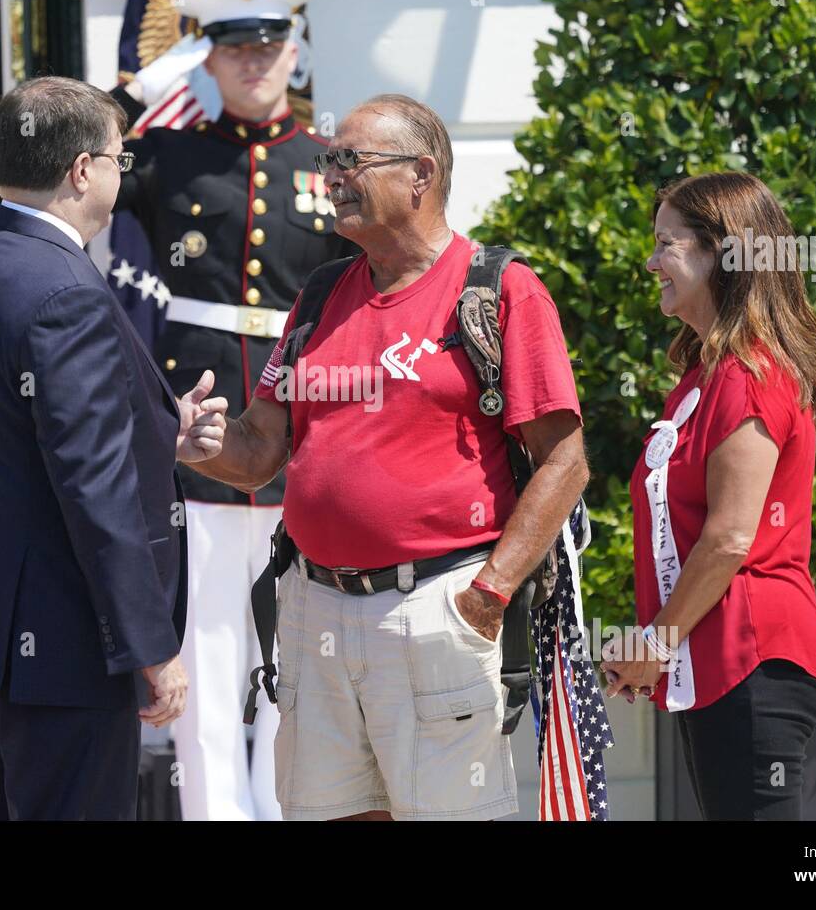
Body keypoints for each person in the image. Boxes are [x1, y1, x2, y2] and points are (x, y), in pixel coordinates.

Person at [184, 94, 589, 821]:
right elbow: (257, 450)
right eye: (327, 162)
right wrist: (209, 446)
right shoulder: (317, 296)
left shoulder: (498, 291)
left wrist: (488, 597)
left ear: (420, 175)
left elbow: (565, 465)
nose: (329, 178)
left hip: (437, 608)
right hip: (313, 612)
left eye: (348, 161)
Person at [0, 76, 228, 820]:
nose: (125, 174)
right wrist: (149, 647)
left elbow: (22, 434)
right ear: (82, 170)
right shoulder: (65, 292)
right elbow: (92, 489)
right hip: (64, 646)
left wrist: (159, 432)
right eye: (120, 158)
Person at [109, 0, 355, 821]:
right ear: (208, 57)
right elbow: (75, 155)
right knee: (208, 653)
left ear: (294, 50)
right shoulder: (166, 151)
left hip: (305, 430)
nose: (255, 63)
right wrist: (135, 90)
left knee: (296, 652)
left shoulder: (329, 164)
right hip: (200, 429)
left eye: (268, 46)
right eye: (235, 49)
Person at [601, 171, 816, 820]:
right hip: (716, 658)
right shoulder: (703, 376)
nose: (651, 262)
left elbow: (731, 535)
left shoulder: (748, 374)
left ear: (722, 253)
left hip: (756, 654)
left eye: (667, 245)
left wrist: (653, 644)